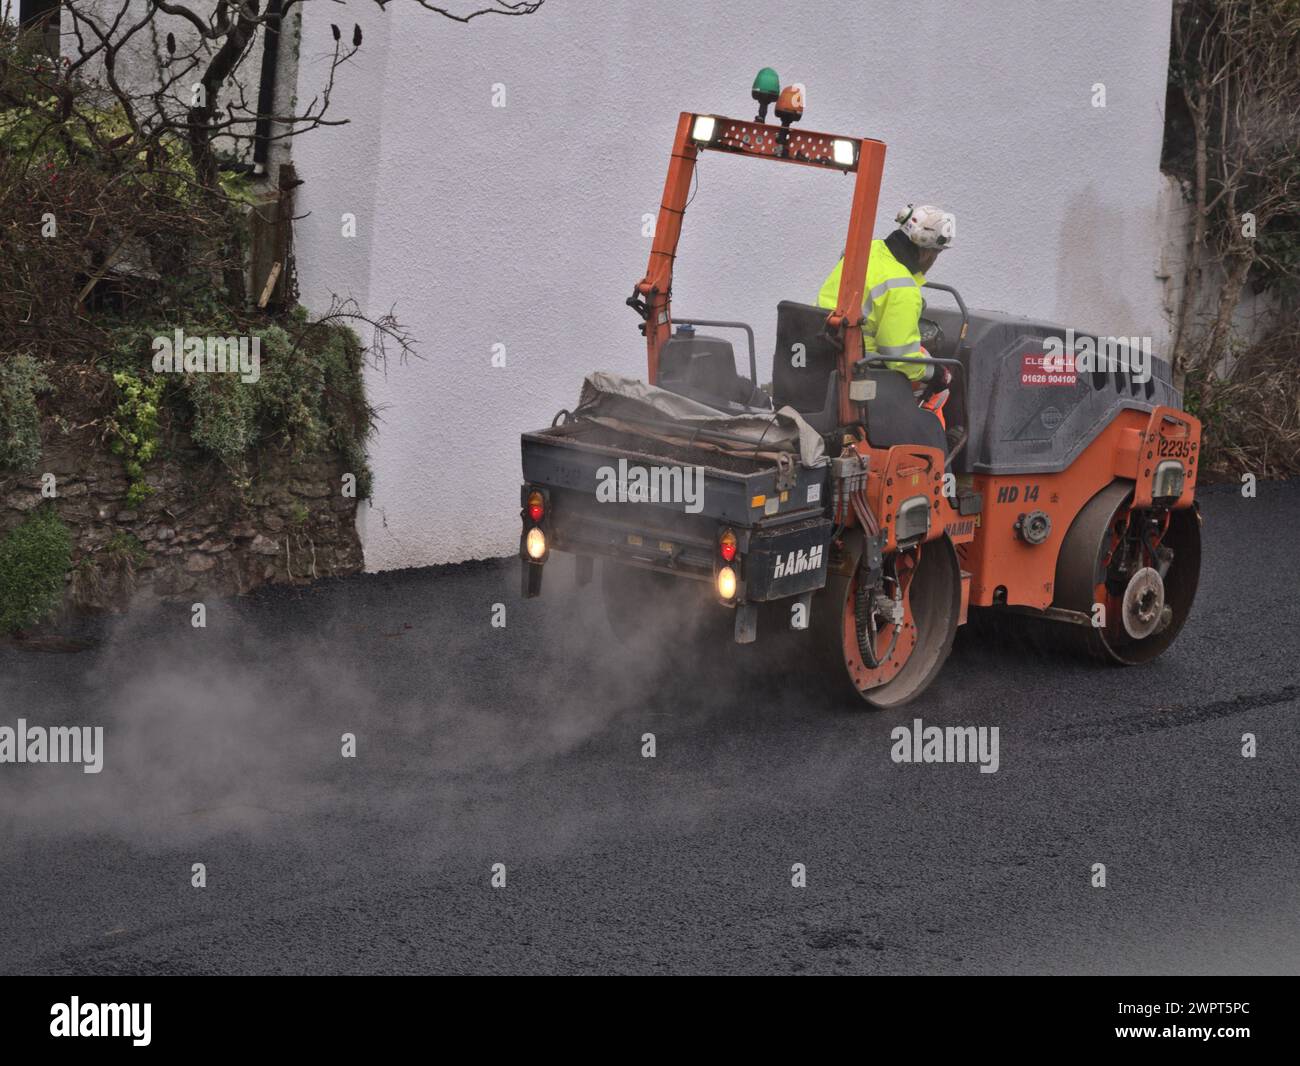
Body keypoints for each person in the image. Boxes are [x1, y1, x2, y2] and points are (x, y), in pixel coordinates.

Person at [816, 204, 956, 422]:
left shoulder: (865, 251)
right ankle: (933, 446)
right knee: (940, 390)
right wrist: (938, 373)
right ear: (928, 251)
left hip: (825, 356)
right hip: (864, 371)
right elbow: (901, 361)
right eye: (937, 254)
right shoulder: (902, 288)